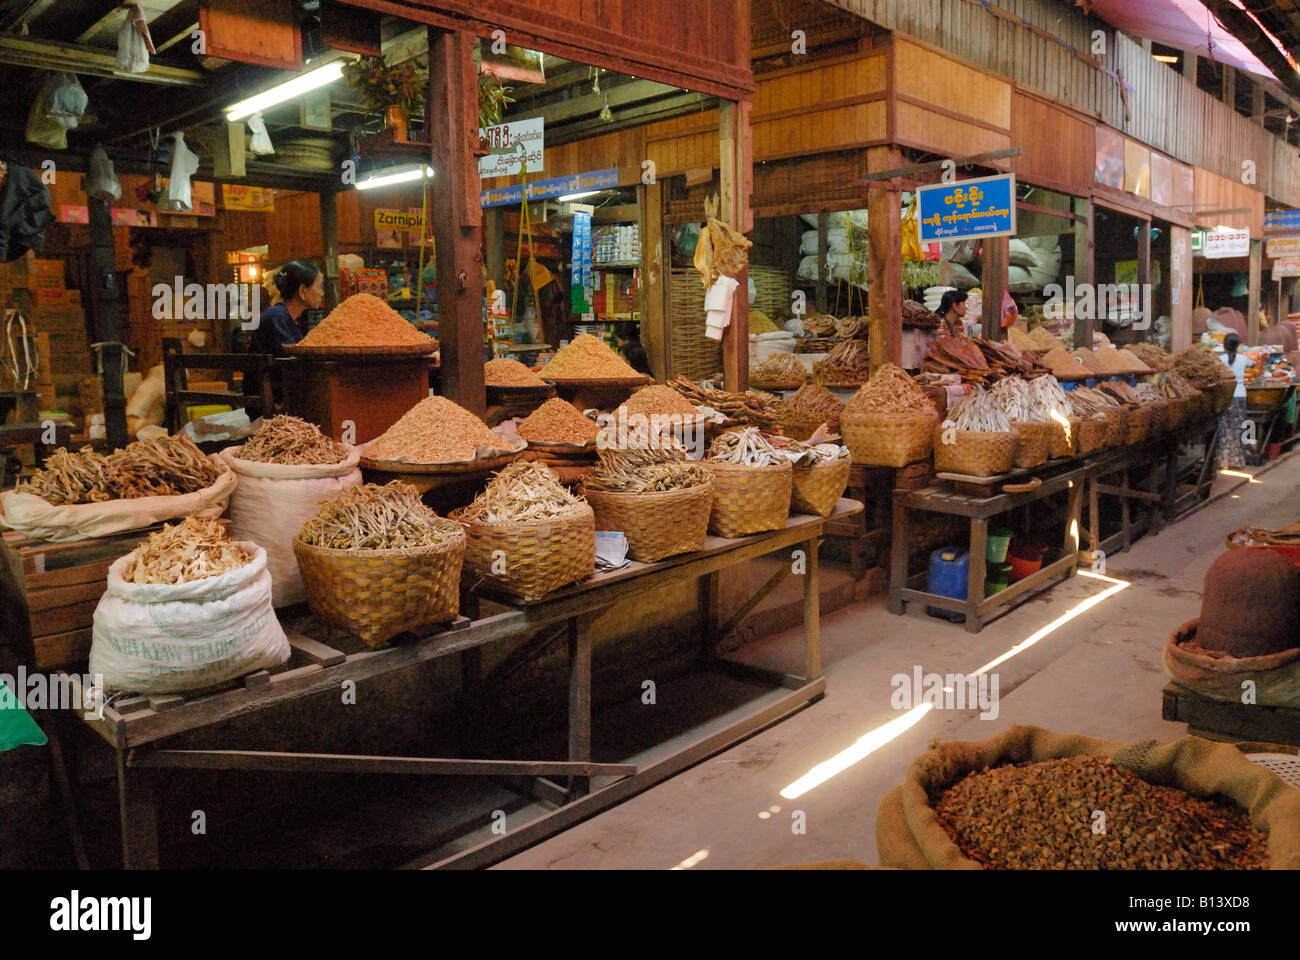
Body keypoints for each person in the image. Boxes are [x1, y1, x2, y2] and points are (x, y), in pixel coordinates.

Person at [251, 261, 324, 359]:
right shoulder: (277, 317)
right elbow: (293, 361)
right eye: (319, 287)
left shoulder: (287, 318)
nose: (322, 293)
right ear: (302, 290)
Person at [1216, 332, 1255, 470]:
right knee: (1239, 427)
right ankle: (1238, 461)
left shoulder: (1221, 359)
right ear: (1238, 345)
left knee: (1225, 428)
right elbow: (1253, 363)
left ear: (1224, 345)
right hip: (1240, 395)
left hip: (1226, 396)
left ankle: (1224, 462)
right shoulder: (1243, 359)